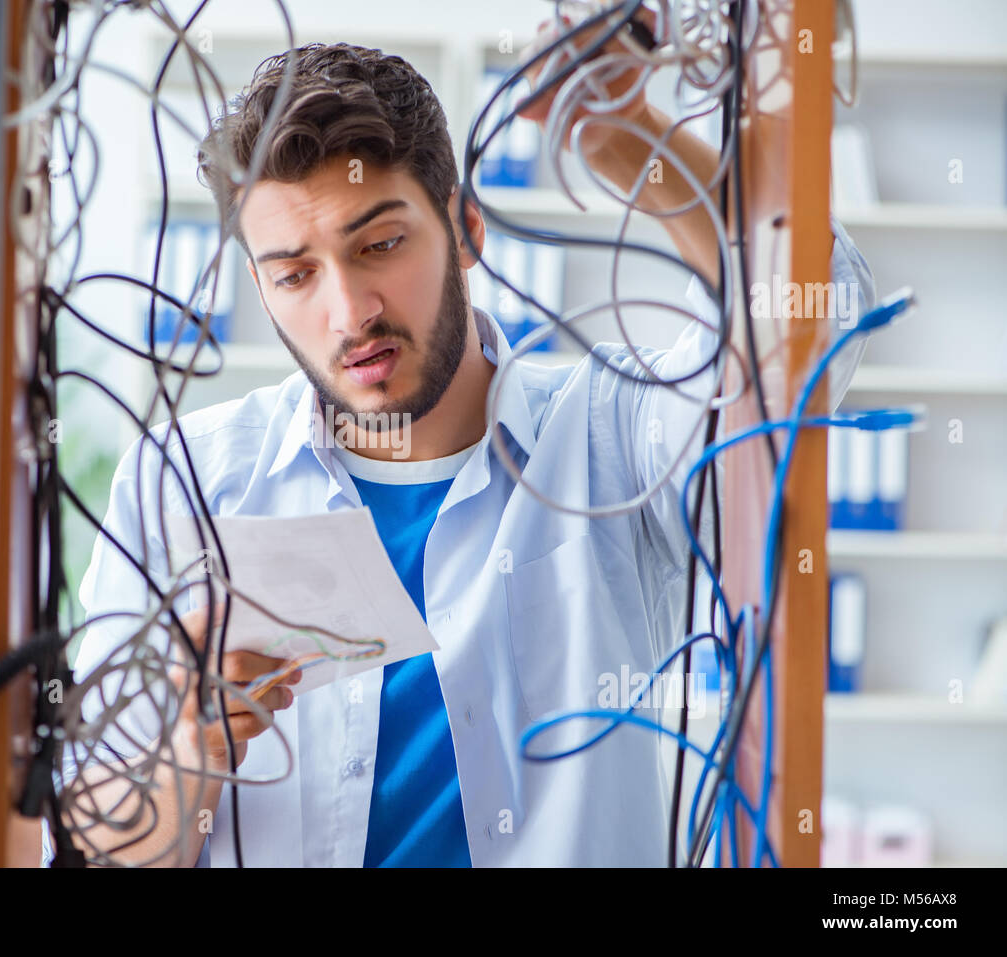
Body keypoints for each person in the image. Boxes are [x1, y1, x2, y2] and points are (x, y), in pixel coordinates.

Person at [53, 25, 875, 866]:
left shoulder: (611, 435)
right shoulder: (182, 483)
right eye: (296, 274)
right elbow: (86, 841)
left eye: (379, 245)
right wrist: (187, 756)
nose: (350, 311)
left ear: (468, 228)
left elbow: (817, 323)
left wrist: (635, 145)